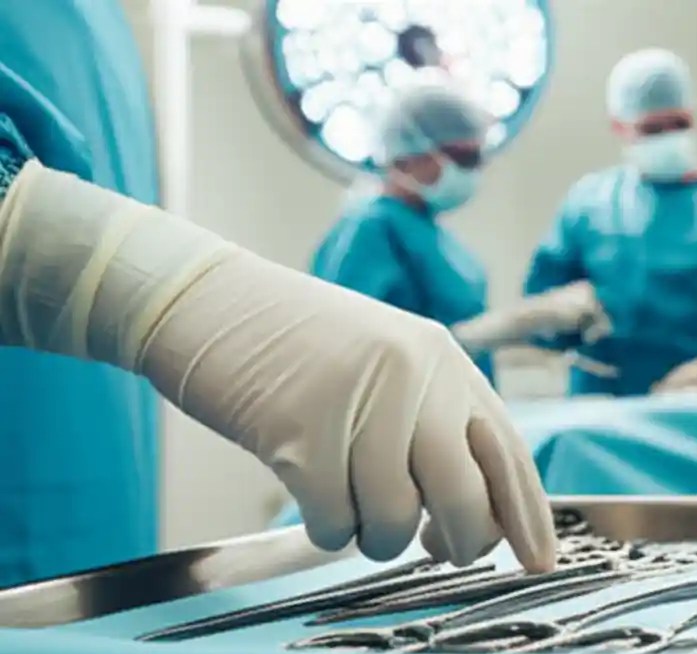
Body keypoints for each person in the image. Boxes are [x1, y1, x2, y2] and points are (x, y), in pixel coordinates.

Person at [0, 1, 555, 587]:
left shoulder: (96, 26)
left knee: (86, 638)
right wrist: (58, 253)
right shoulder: (372, 229)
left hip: (104, 509)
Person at [520, 48, 697, 396]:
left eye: (679, 124)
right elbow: (541, 311)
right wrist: (558, 317)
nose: (668, 137)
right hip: (606, 413)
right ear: (619, 127)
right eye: (652, 128)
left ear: (695, 118)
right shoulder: (588, 205)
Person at [313, 84, 496, 380]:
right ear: (409, 153)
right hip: (405, 415)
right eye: (463, 158)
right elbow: (346, 345)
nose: (474, 171)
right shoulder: (369, 229)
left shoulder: (427, 228)